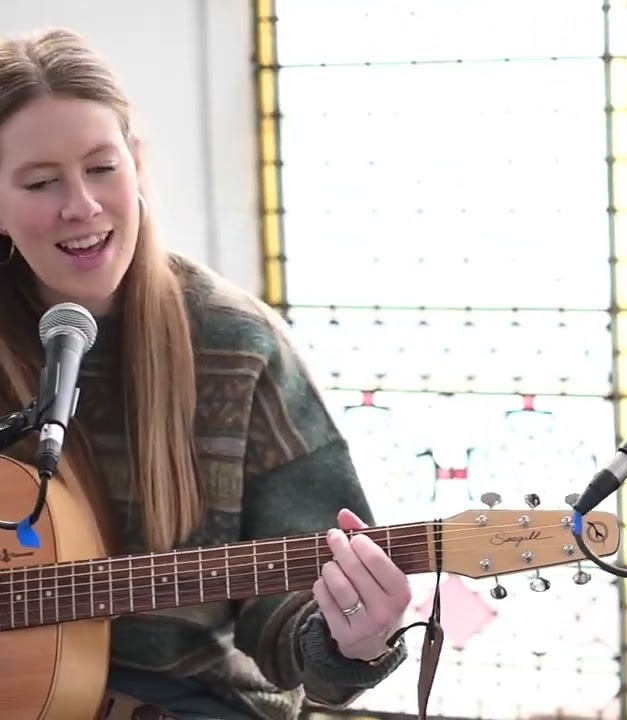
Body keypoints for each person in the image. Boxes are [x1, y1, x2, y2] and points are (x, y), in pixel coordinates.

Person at [0, 28, 412, 720]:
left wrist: (354, 639)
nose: (82, 206)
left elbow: (296, 627)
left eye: (102, 168)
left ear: (137, 165)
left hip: (191, 700)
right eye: (42, 182)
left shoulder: (235, 343)